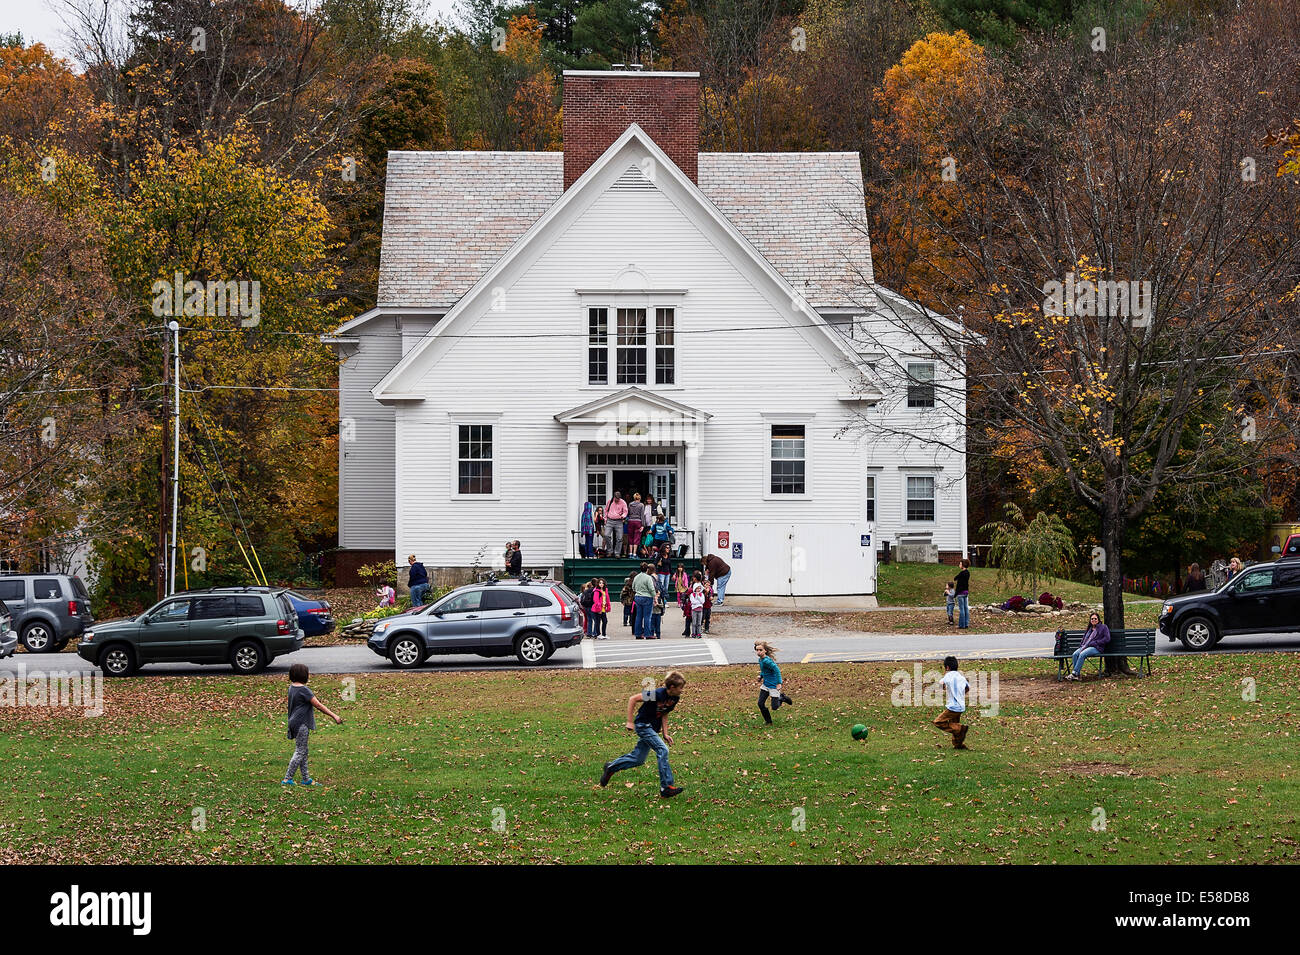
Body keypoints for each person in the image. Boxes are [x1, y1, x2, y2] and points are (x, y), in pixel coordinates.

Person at [599, 671, 686, 798]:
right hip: (643, 725)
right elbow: (633, 699)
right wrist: (629, 721)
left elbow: (665, 713)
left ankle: (611, 767)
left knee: (638, 759)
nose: (682, 691)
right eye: (681, 688)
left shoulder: (674, 698)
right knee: (663, 750)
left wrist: (665, 733)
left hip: (652, 729)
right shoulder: (656, 694)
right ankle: (666, 787)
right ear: (672, 687)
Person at [283, 663, 343, 785]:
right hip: (301, 723)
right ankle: (287, 778)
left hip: (293, 722)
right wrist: (334, 715)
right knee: (300, 751)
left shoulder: (292, 687)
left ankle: (306, 779)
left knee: (303, 751)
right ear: (304, 675)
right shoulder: (304, 690)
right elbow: (318, 705)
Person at [933, 656, 969, 750]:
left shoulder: (948, 675)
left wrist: (945, 685)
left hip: (953, 707)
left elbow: (941, 684)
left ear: (947, 667)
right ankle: (958, 745)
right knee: (954, 724)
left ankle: (960, 728)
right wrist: (960, 695)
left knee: (938, 722)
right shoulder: (961, 677)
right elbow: (967, 688)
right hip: (961, 706)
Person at [755, 641, 794, 725]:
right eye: (757, 650)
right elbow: (764, 670)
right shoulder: (760, 660)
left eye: (760, 650)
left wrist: (779, 683)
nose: (758, 652)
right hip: (765, 685)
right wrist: (761, 676)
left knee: (774, 707)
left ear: (765, 650)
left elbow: (777, 670)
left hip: (773, 685)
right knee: (760, 703)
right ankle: (768, 722)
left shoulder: (767, 661)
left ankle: (782, 698)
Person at [1066, 611, 1111, 681]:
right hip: (1085, 646)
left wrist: (1095, 643)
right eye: (1092, 619)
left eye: (1095, 619)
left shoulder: (1103, 627)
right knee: (1075, 654)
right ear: (1090, 621)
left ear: (1098, 620)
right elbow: (1084, 639)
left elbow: (1107, 639)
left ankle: (1074, 673)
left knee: (1082, 654)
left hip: (1097, 648)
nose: (1094, 620)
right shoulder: (1089, 629)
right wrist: (1081, 646)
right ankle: (1076, 675)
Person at [633, 561, 657, 639]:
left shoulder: (636, 577)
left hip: (638, 597)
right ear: (647, 569)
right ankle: (647, 634)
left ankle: (638, 634)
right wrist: (655, 598)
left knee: (638, 616)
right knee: (647, 616)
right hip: (647, 597)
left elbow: (633, 587)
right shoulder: (648, 577)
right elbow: (651, 589)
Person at [605, 491, 627, 556]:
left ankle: (617, 553)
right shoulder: (610, 501)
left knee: (619, 538)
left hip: (619, 521)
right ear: (614, 497)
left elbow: (625, 511)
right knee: (606, 535)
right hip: (610, 520)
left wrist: (623, 516)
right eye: (616, 498)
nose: (617, 500)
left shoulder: (623, 502)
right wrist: (605, 518)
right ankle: (610, 551)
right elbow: (606, 510)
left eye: (619, 498)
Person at [626, 493, 645, 558]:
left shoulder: (630, 504)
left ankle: (630, 553)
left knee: (630, 537)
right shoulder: (641, 505)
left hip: (630, 521)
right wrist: (643, 525)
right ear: (639, 498)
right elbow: (642, 515)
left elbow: (628, 513)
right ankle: (634, 554)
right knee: (636, 538)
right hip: (638, 521)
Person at [954, 559, 971, 629]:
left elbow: (956, 580)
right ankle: (966, 624)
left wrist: (955, 594)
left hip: (960, 593)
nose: (959, 565)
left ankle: (961, 625)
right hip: (966, 592)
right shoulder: (968, 573)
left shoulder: (961, 574)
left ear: (963, 565)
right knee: (966, 608)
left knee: (962, 609)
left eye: (960, 564)